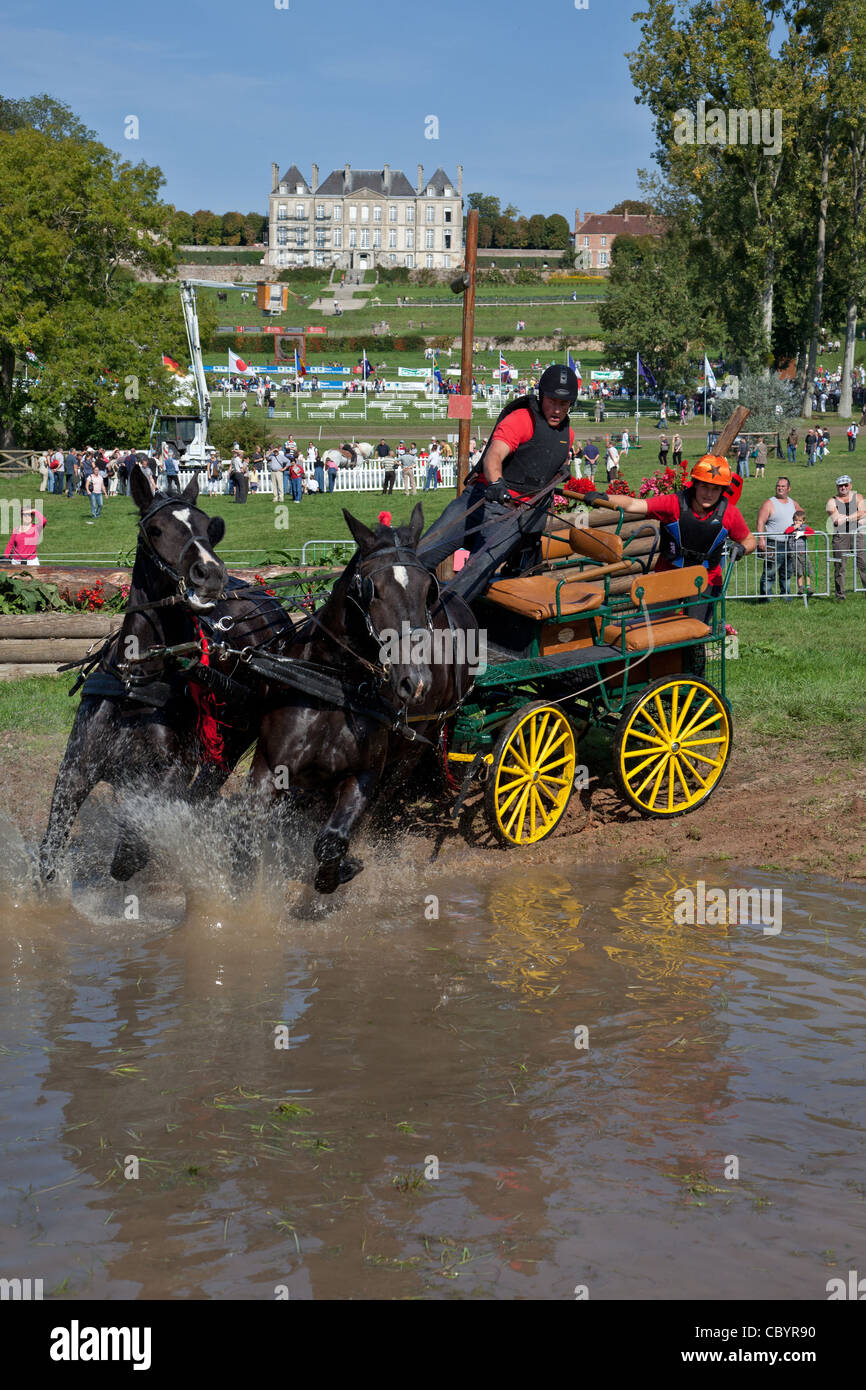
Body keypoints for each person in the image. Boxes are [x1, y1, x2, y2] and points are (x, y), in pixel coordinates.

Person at [416, 365, 579, 603]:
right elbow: (494, 455)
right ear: (542, 395)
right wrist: (496, 483)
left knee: (473, 575)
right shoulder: (521, 420)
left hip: (514, 516)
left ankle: (442, 619)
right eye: (552, 401)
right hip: (483, 497)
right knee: (422, 553)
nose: (557, 409)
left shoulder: (568, 435)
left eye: (563, 404)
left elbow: (548, 462)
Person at [586, 455, 755, 622]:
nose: (709, 494)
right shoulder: (674, 504)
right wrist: (605, 498)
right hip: (669, 575)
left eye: (715, 489)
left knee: (695, 630)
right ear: (695, 484)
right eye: (704, 486)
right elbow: (633, 504)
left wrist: (742, 548)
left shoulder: (730, 513)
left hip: (706, 579)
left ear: (722, 491)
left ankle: (694, 649)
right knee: (651, 625)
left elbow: (749, 540)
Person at [756, 476, 801, 599]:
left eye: (783, 486)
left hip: (790, 543)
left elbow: (802, 517)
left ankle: (786, 596)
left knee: (787, 572)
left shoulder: (793, 503)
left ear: (789, 489)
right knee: (769, 572)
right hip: (773, 544)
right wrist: (761, 539)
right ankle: (766, 598)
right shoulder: (769, 503)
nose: (780, 488)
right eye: (778, 486)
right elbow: (760, 522)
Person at [826, 475, 866, 600]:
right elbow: (837, 521)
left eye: (846, 485)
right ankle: (840, 595)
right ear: (837, 487)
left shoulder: (858, 497)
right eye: (840, 486)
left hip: (857, 534)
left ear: (850, 485)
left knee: (863, 563)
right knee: (840, 566)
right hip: (840, 535)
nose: (843, 488)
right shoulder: (831, 501)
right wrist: (857, 516)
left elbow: (863, 512)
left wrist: (847, 517)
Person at [784, 508, 815, 599]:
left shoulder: (805, 527)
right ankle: (800, 587)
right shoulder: (791, 527)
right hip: (794, 553)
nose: (797, 522)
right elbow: (786, 531)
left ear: (803, 521)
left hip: (804, 552)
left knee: (807, 571)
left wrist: (802, 533)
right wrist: (794, 527)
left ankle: (808, 587)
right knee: (799, 572)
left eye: (800, 521)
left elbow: (812, 532)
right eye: (795, 520)